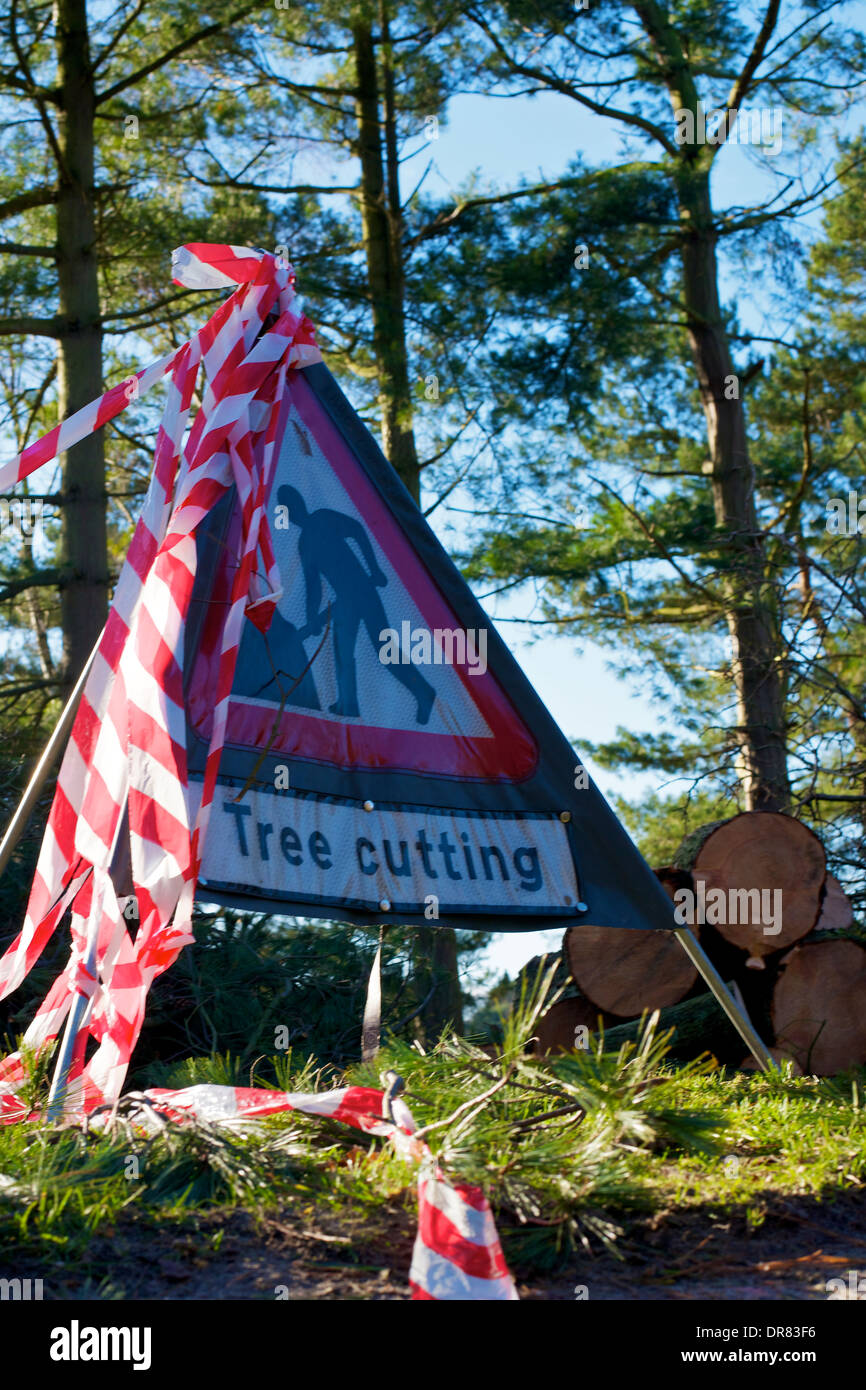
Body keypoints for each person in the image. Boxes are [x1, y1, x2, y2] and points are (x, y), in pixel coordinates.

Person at [279, 485, 436, 724]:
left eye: (291, 508)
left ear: (297, 506)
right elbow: (313, 585)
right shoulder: (305, 543)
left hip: (364, 591)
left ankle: (423, 691)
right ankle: (348, 705)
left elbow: (357, 530)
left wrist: (374, 568)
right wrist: (311, 618)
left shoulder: (323, 518)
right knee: (342, 652)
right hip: (345, 601)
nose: (292, 514)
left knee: (385, 650)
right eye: (288, 511)